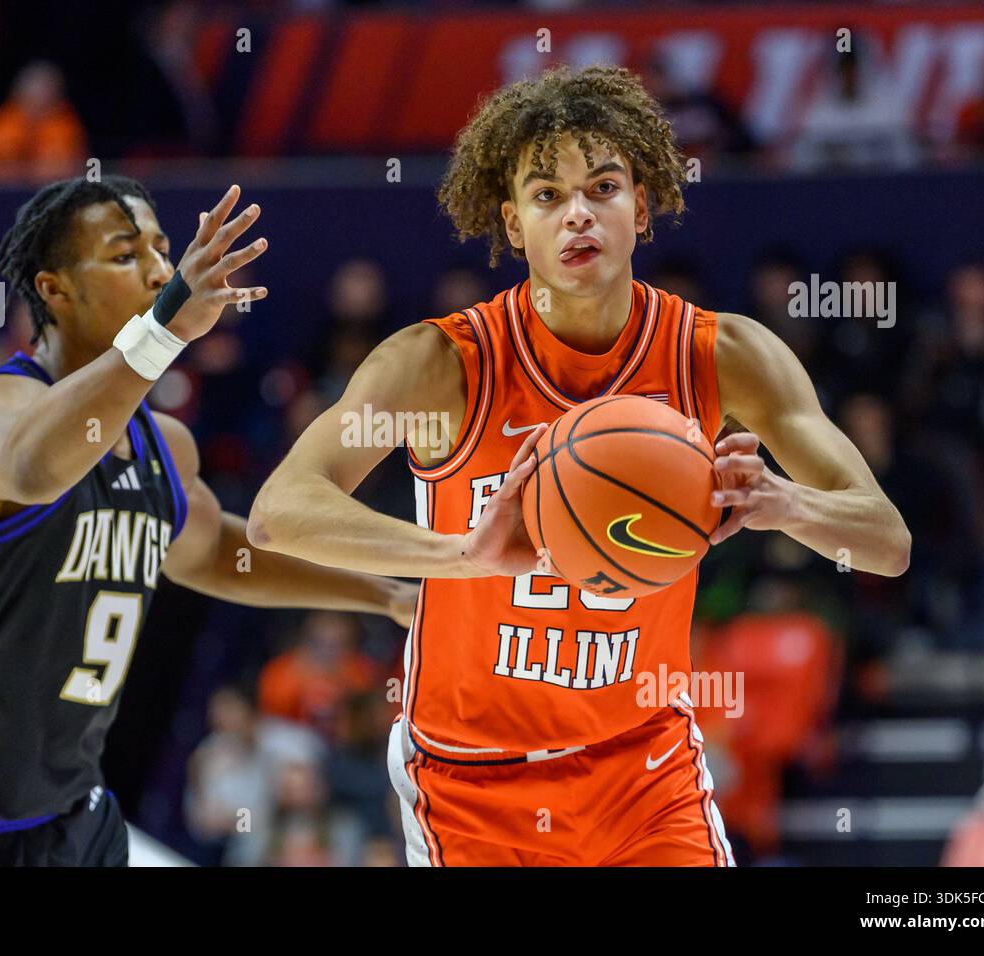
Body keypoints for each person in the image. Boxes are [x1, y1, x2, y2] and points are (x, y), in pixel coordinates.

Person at [248, 65, 910, 867]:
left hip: (646, 769)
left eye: (602, 187)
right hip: (473, 780)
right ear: (512, 222)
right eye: (547, 196)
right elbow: (280, 510)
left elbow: (886, 541)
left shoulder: (723, 356)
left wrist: (784, 504)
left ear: (644, 203)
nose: (578, 215)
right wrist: (456, 556)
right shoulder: (444, 364)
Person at [0, 175, 414, 866]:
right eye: (126, 255)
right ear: (55, 290)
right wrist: (160, 332)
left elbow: (218, 554)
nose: (162, 271)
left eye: (163, 250)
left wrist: (387, 593)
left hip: (68, 822)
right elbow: (38, 468)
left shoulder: (165, 448)